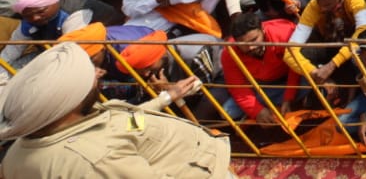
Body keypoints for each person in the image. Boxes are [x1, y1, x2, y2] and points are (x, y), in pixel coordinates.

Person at [0, 42, 229, 178]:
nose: (99, 74)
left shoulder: (18, 153)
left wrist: (166, 97)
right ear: (68, 101)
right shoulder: (97, 160)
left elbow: (126, 122)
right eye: (90, 76)